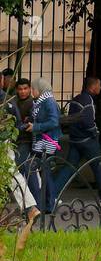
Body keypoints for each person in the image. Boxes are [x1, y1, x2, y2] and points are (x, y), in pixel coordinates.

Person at [61, 76, 101, 204]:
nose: (100, 87)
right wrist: (95, 132)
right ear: (93, 87)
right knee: (99, 166)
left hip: (75, 139)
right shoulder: (88, 101)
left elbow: (72, 119)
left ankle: (53, 194)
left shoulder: (76, 99)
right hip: (87, 140)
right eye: (99, 85)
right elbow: (88, 121)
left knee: (69, 168)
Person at [26, 76, 61, 213]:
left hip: (47, 142)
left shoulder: (48, 101)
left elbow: (53, 122)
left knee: (45, 173)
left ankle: (50, 204)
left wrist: (36, 127)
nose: (32, 92)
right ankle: (47, 204)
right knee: (44, 173)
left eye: (33, 89)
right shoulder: (41, 101)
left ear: (39, 89)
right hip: (42, 142)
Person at [9, 78, 33, 168]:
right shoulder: (13, 101)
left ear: (30, 89)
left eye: (25, 88)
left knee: (20, 166)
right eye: (20, 89)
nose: (23, 91)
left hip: (25, 140)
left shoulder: (32, 103)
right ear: (16, 90)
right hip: (14, 140)